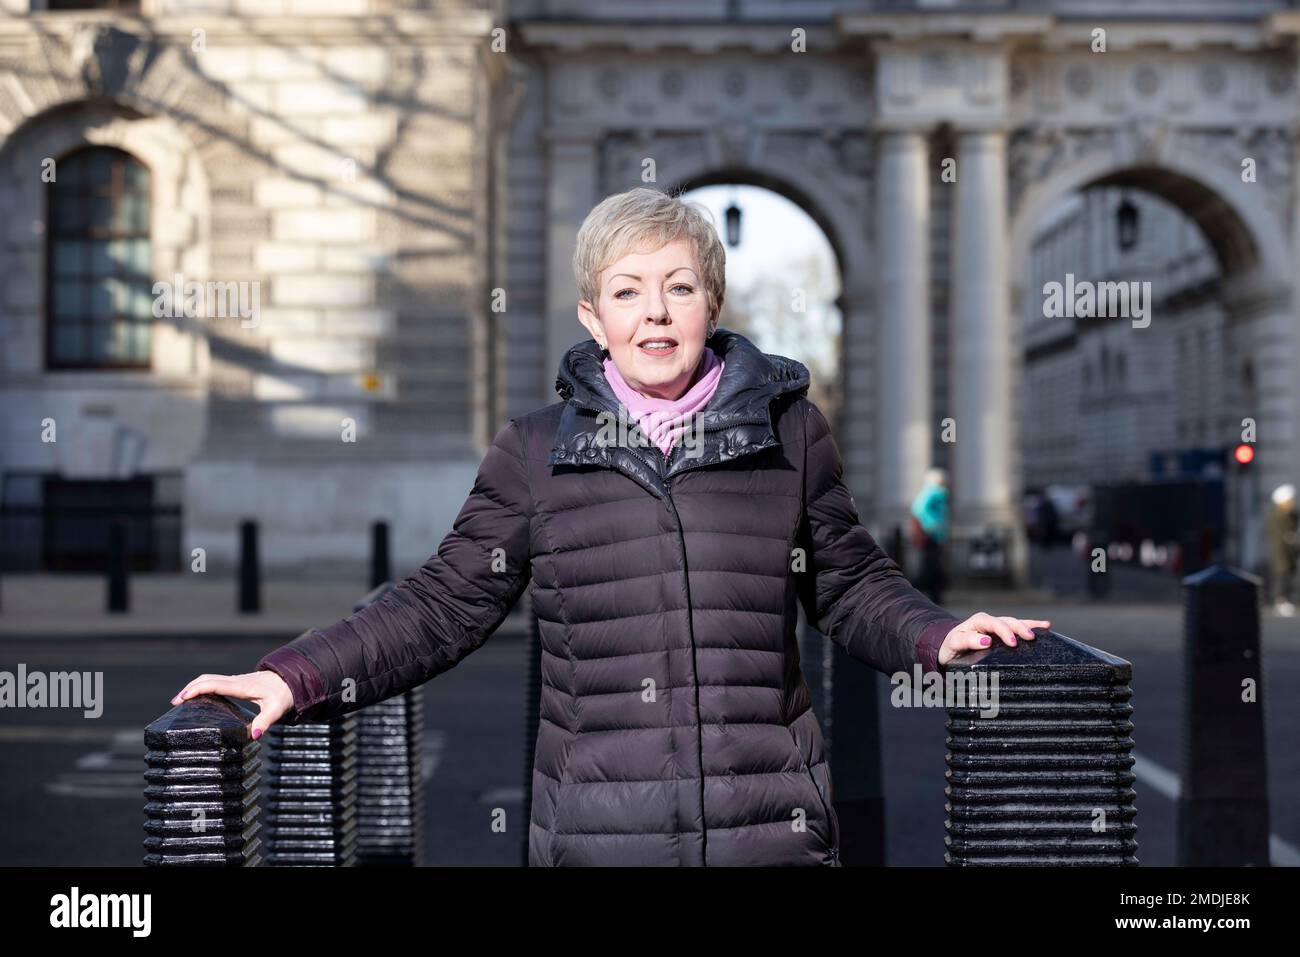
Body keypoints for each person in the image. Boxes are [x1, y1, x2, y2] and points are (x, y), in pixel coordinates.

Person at [171, 186, 1048, 867]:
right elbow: (441, 606)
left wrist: (937, 633)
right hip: (597, 838)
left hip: (771, 836)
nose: (655, 312)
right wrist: (293, 673)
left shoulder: (791, 434)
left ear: (713, 303)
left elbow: (851, 586)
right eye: (627, 291)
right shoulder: (534, 452)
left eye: (678, 287)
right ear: (594, 317)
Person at [910, 468, 950, 605]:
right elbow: (918, 509)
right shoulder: (934, 493)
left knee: (933, 569)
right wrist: (929, 526)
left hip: (934, 536)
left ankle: (935, 598)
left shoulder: (934, 493)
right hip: (932, 536)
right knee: (931, 569)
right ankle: (914, 593)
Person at [1267, 482, 1298, 617]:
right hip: (1281, 550)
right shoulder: (1278, 515)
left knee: (1288, 574)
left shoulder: (1290, 514)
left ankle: (1285, 600)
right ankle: (1280, 600)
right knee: (1281, 575)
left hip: (1289, 551)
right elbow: (1280, 532)